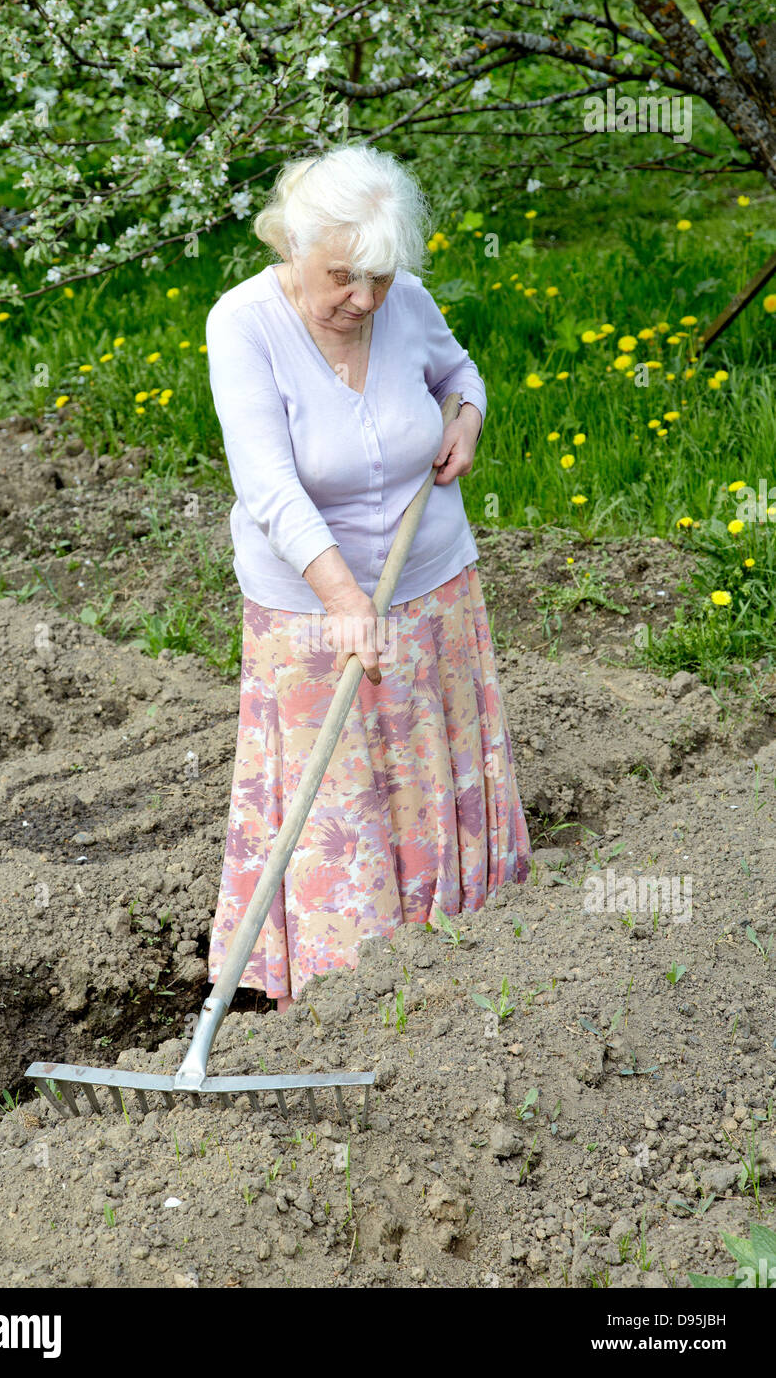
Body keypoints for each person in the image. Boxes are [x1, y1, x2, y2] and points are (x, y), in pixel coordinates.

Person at [204, 142, 531, 1012]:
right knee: (337, 800)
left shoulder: (406, 300)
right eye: (343, 276)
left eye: (379, 278)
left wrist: (466, 420)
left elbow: (458, 374)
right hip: (311, 611)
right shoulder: (243, 325)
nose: (365, 299)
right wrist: (343, 598)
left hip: (433, 589)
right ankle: (339, 997)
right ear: (292, 244)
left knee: (430, 773)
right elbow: (269, 486)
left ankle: (459, 946)